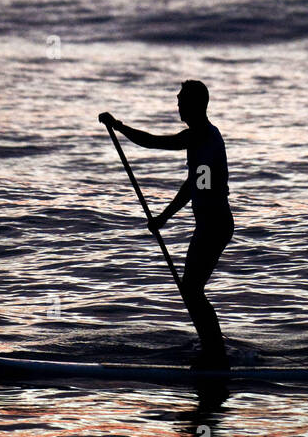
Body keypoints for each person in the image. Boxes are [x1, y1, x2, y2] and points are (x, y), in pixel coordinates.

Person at [99, 81, 234, 368]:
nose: (177, 104)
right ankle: (212, 347)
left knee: (192, 290)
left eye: (182, 100)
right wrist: (163, 218)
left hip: (215, 225)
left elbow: (155, 143)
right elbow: (193, 185)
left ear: (195, 105)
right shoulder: (201, 137)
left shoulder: (203, 137)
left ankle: (215, 353)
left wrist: (118, 126)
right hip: (210, 224)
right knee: (191, 290)